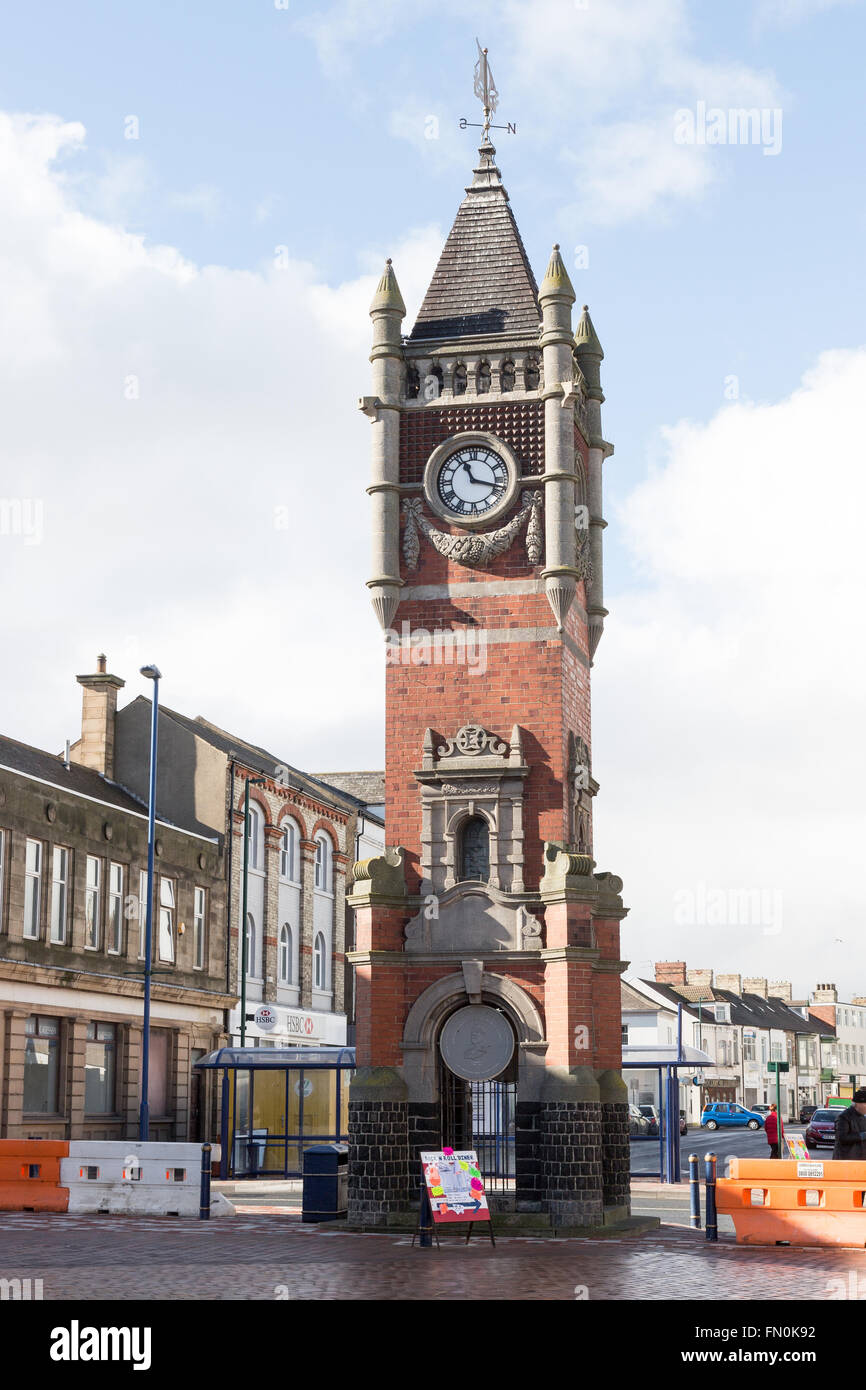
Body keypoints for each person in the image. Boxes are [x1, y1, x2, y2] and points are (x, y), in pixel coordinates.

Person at [832, 1089, 866, 1160]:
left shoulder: (863, 1117)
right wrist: (863, 1135)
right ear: (856, 1104)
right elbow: (842, 1137)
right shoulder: (843, 1117)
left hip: (860, 1159)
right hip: (846, 1160)